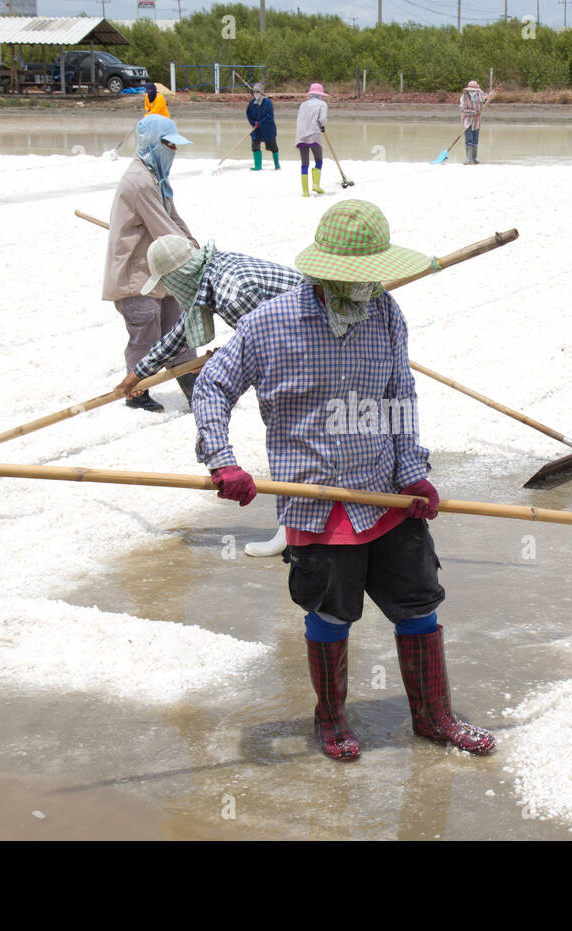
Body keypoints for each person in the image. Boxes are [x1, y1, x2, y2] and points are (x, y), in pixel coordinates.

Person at [191, 199, 495, 762]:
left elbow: (399, 395)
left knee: (419, 605)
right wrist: (223, 461)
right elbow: (212, 387)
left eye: (373, 278)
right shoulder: (268, 324)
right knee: (330, 614)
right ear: (324, 273)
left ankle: (435, 717)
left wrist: (413, 474)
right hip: (316, 502)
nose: (369, 289)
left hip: (384, 492)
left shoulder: (386, 314)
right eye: (357, 280)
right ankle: (330, 721)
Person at [114, 234, 305, 556]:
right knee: (292, 438)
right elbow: (185, 331)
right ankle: (296, 527)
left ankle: (297, 531)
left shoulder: (232, 291)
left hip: (308, 349)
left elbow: (274, 342)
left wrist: (227, 358)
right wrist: (140, 372)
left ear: (180, 276)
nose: (169, 291)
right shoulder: (211, 274)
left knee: (292, 436)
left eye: (168, 283)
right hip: (290, 345)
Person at [102, 115, 200, 412]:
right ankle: (136, 392)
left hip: (159, 272)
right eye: (169, 145)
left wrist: (194, 245)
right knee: (146, 331)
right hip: (135, 275)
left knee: (178, 327)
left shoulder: (156, 177)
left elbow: (173, 218)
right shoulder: (139, 182)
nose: (173, 151)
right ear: (153, 144)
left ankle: (193, 386)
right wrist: (195, 259)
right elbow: (163, 228)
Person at [295, 83, 329, 197]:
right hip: (314, 134)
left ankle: (305, 192)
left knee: (304, 164)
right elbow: (322, 119)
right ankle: (316, 185)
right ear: (320, 94)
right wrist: (322, 125)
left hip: (301, 135)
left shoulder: (303, 104)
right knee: (318, 160)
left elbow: (299, 119)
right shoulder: (322, 104)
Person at [246, 82, 279, 172]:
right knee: (255, 145)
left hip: (268, 129)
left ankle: (277, 165)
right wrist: (253, 123)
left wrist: (260, 123)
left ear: (261, 92)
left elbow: (269, 116)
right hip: (256, 129)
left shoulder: (267, 102)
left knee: (273, 146)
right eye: (254, 92)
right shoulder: (252, 103)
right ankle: (257, 166)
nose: (255, 94)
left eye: (257, 91)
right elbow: (248, 114)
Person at [459, 79, 487, 165]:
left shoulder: (480, 94)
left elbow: (485, 99)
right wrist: (472, 112)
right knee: (469, 139)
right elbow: (462, 109)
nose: (472, 92)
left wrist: (488, 98)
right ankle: (468, 159)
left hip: (477, 122)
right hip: (467, 121)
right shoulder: (464, 96)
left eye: (474, 90)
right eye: (470, 90)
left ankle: (474, 159)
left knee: (475, 140)